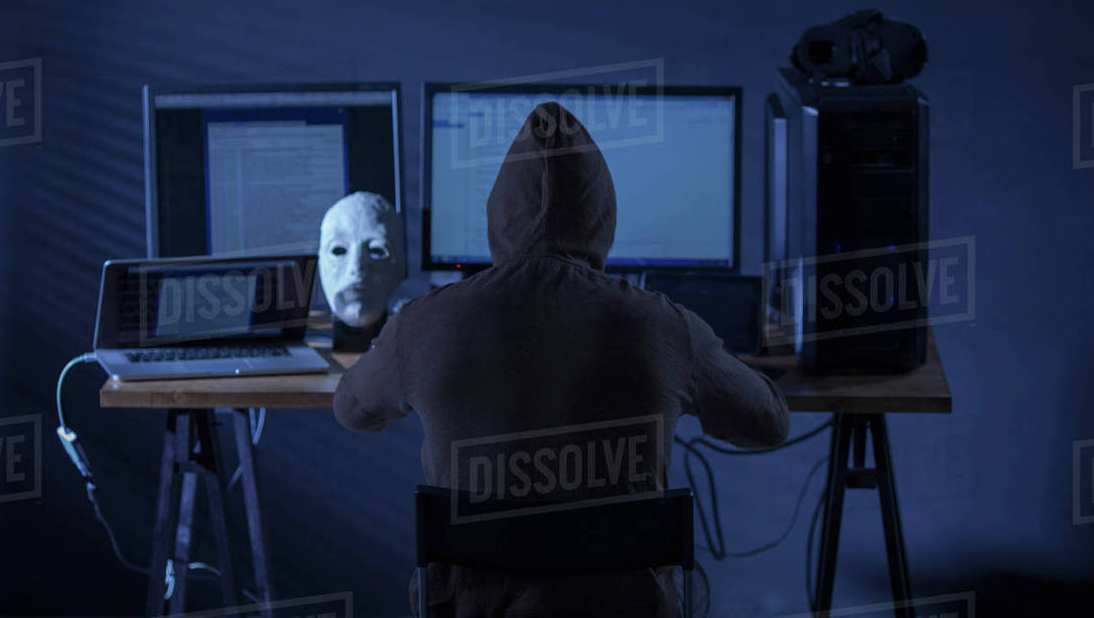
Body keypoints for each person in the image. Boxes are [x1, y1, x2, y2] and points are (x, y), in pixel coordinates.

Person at [334, 101, 790, 617]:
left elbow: (351, 411)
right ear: (602, 214)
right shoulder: (664, 324)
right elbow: (769, 425)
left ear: (497, 213)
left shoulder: (422, 324)